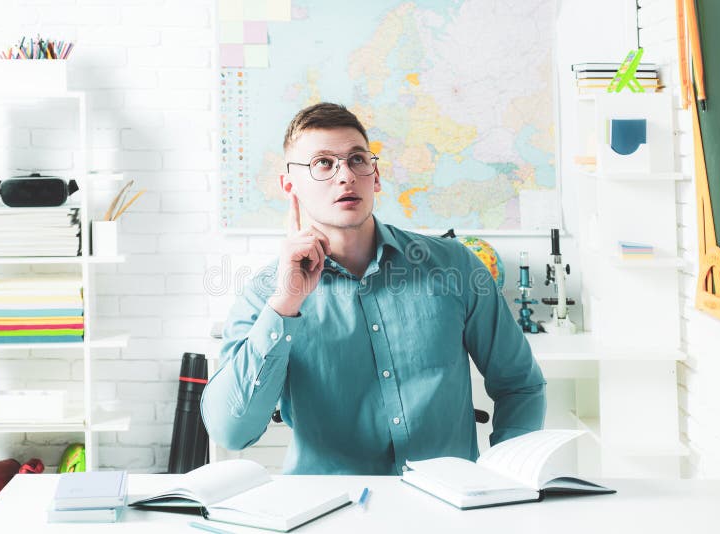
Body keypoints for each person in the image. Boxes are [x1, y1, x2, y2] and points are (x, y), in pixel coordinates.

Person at [201, 102, 546, 475]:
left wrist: (505, 473)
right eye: (323, 163)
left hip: (446, 511)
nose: (345, 175)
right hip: (328, 512)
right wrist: (286, 304)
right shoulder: (267, 294)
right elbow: (230, 433)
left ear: (375, 176)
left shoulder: (455, 267)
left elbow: (520, 385)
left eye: (357, 160)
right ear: (290, 186)